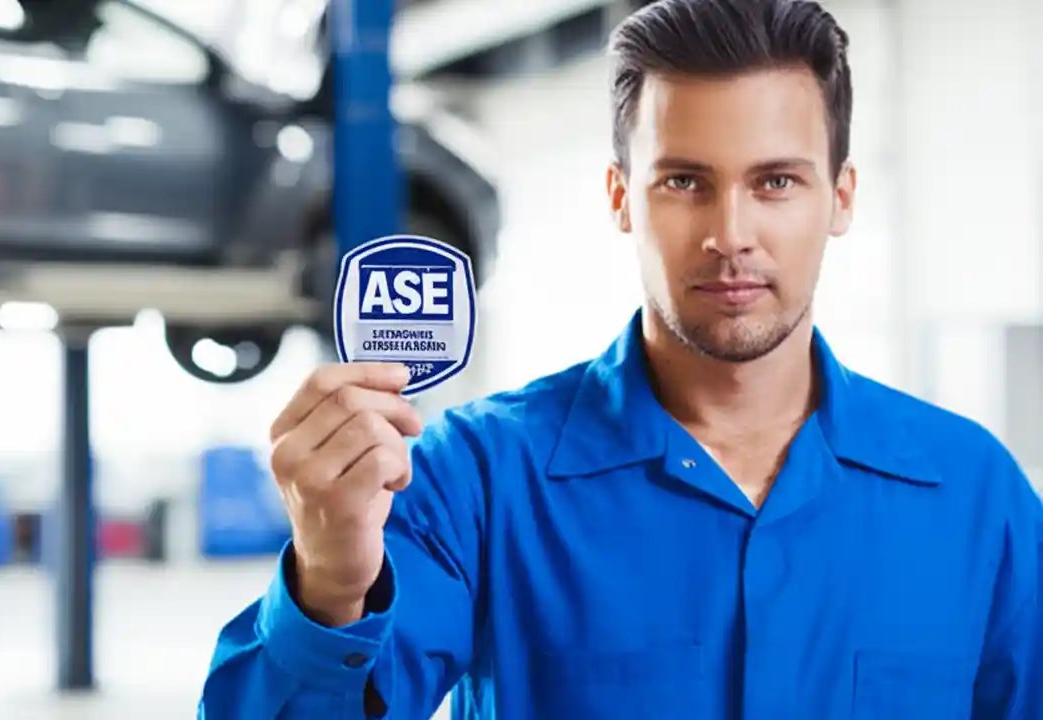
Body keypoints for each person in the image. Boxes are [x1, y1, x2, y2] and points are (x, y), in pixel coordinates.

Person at [199, 0, 1043, 717]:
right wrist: (328, 580)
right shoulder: (479, 480)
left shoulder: (975, 496)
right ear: (620, 197)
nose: (731, 235)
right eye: (684, 182)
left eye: (776, 182)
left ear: (841, 197)